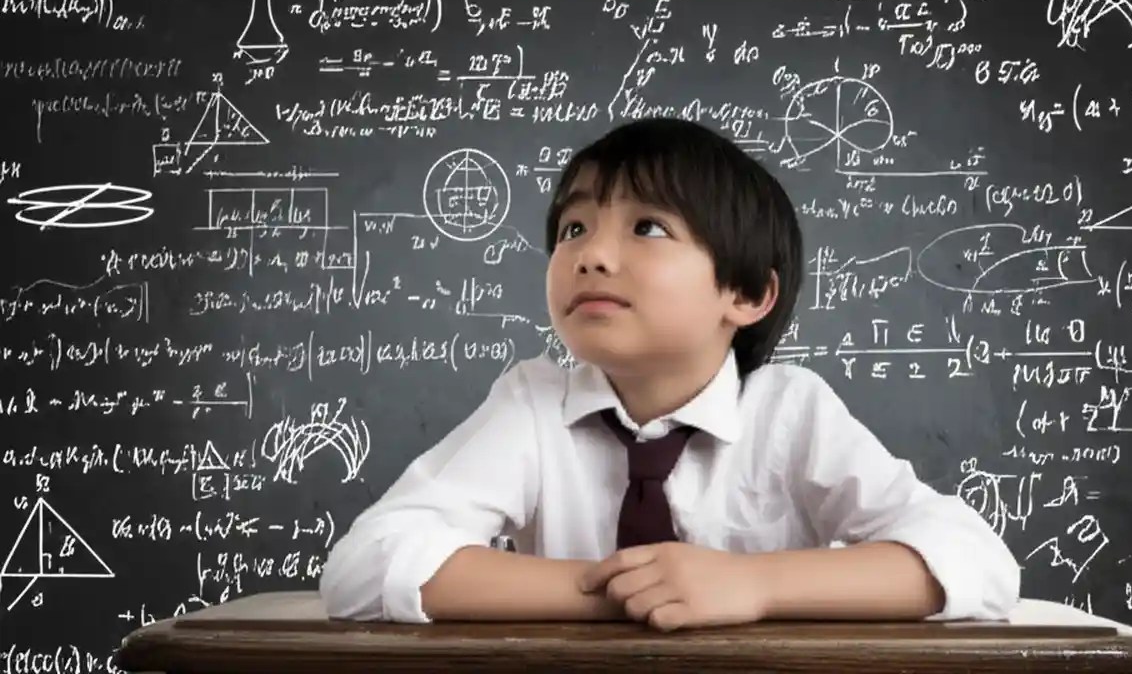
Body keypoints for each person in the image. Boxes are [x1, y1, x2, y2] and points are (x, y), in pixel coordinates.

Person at [319, 117, 1020, 631]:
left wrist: (750, 586)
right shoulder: (532, 402)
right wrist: (624, 591)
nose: (590, 255)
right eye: (573, 229)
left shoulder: (790, 412)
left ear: (746, 295)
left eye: (647, 227)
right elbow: (363, 567)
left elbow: (977, 563)